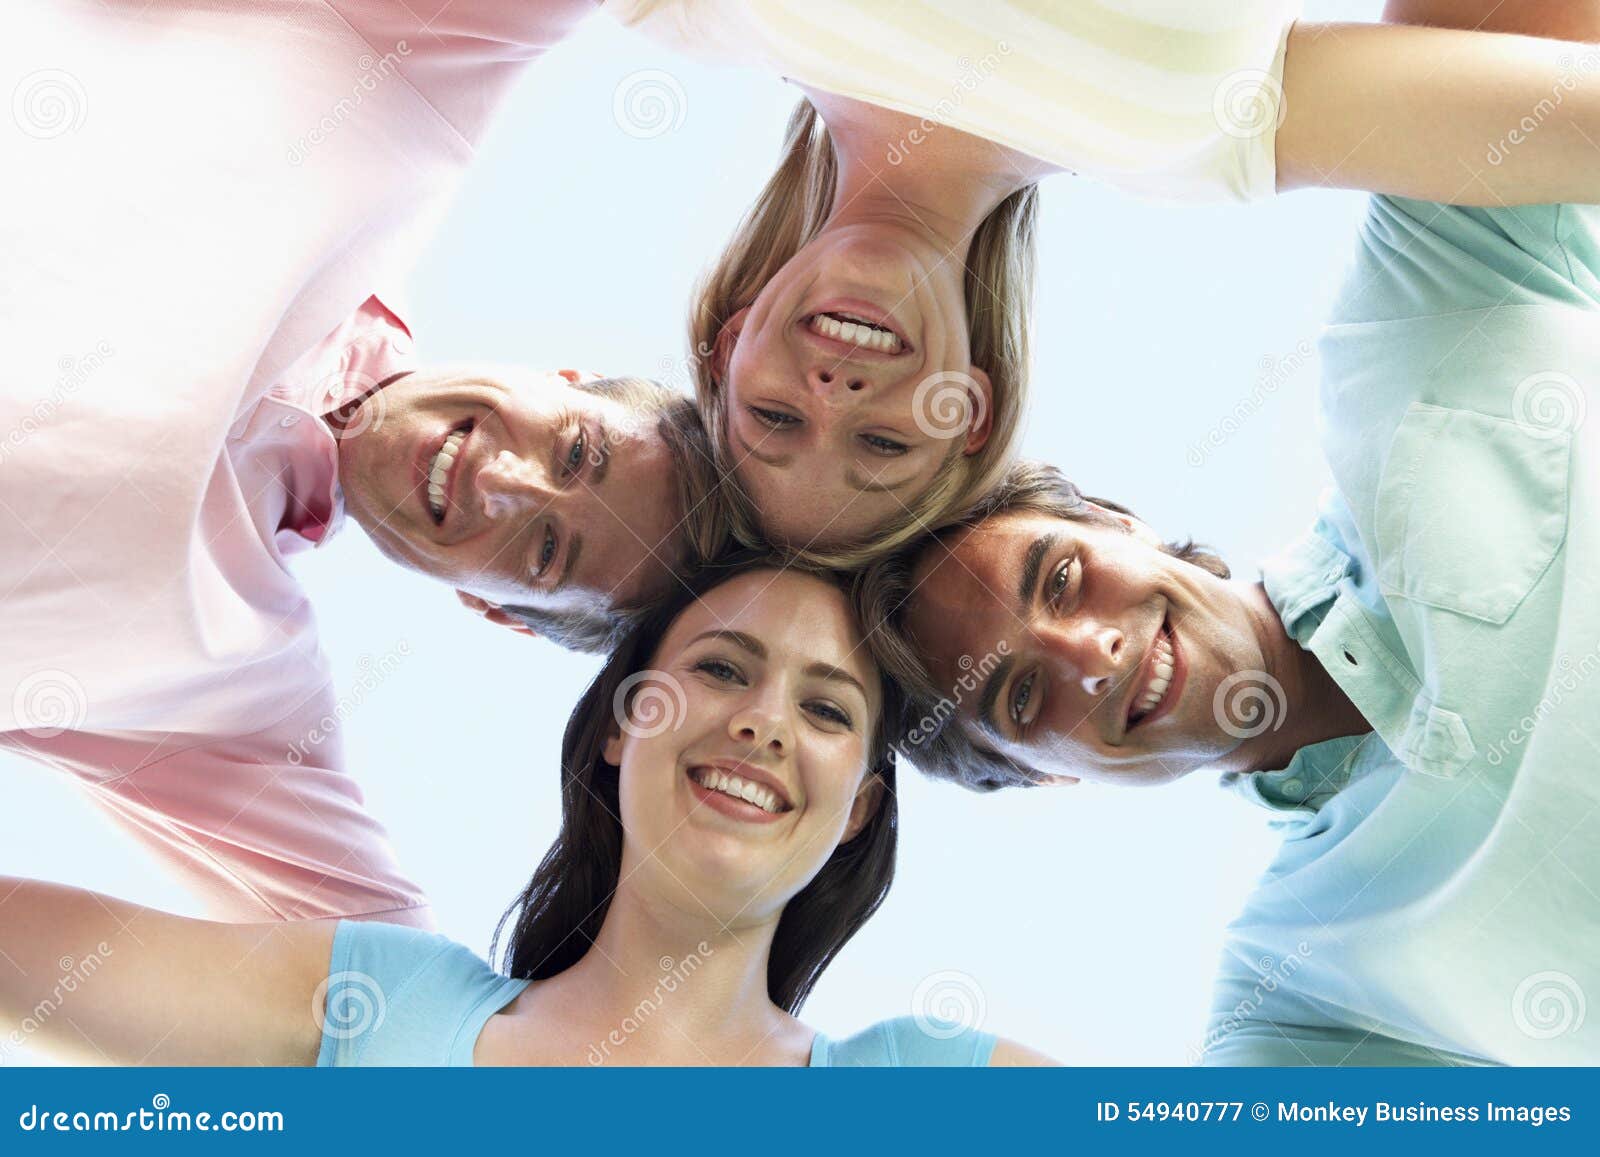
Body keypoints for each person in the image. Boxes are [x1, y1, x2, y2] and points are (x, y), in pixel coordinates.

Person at [857, 0, 1600, 1064]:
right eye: (1019, 695)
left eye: (1061, 578)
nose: (1087, 649)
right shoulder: (1300, 1003)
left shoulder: (1410, 334)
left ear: (1125, 525)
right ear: (1051, 775)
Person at [604, 0, 1600, 563]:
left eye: (774, 420)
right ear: (971, 415)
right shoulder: (1194, 146)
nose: (835, 396)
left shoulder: (685, 14)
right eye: (882, 442)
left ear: (731, 342)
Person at [0, 562, 1054, 1067]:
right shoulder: (383, 1010)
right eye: (722, 667)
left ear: (860, 809)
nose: (763, 722)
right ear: (619, 725)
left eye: (826, 707)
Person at [0, 286, 723, 930]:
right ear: (565, 377)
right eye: (574, 451)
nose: (498, 476)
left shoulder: (231, 687)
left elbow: (388, 985)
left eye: (544, 551)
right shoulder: (378, 163)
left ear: (492, 607)